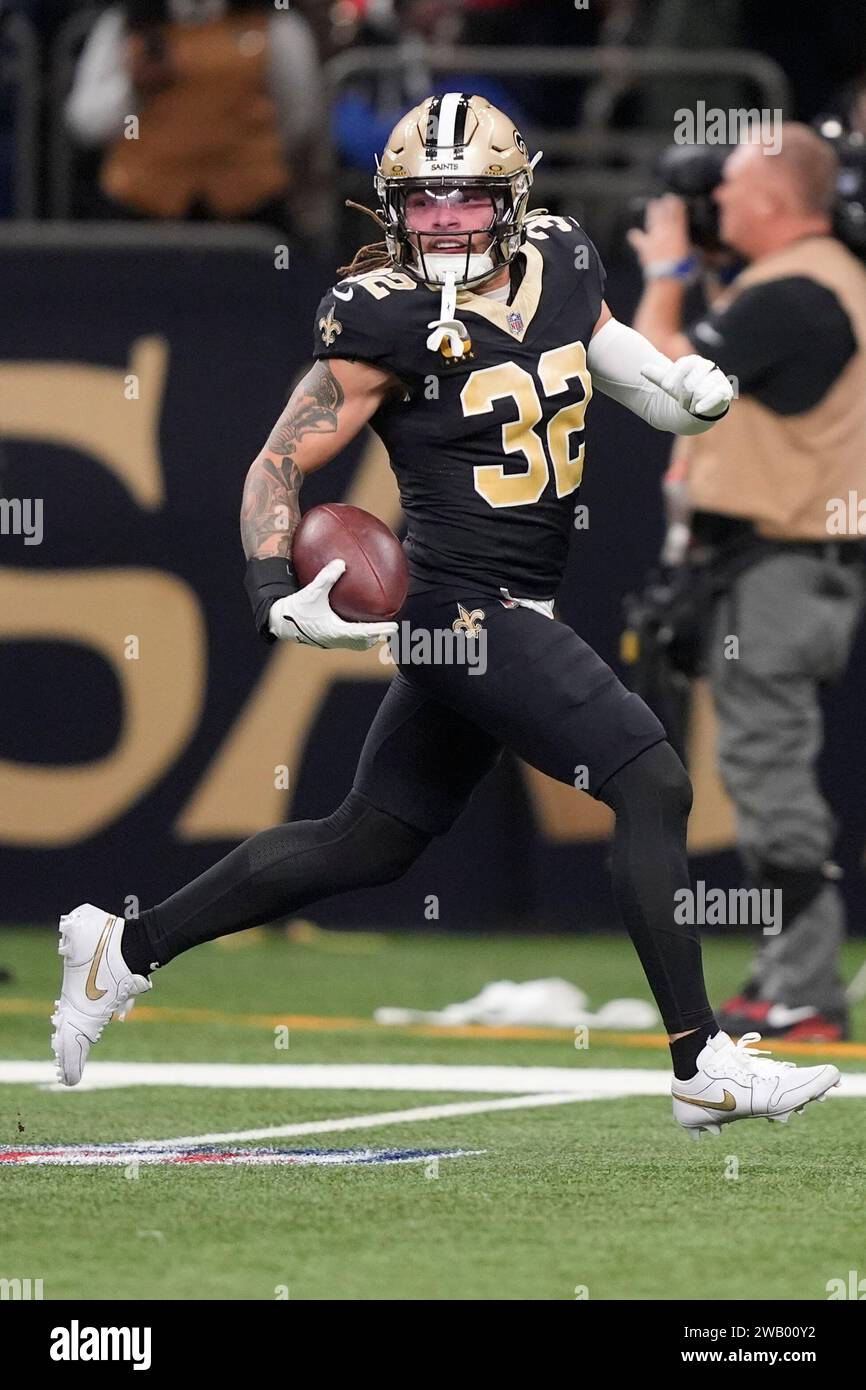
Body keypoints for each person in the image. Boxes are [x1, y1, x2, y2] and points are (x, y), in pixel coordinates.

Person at [52, 95, 839, 1136]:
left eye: (465, 200)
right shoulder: (379, 314)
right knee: (648, 779)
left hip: (517, 596)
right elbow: (278, 461)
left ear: (513, 200)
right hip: (460, 603)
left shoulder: (562, 259)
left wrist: (673, 388)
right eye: (420, 202)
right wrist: (270, 593)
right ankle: (699, 1059)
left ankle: (125, 947)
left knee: (369, 839)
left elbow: (604, 358)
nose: (441, 223)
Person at [629, 124, 866, 1042]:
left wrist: (668, 272)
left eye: (727, 187)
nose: (712, 202)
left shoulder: (801, 290)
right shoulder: (809, 284)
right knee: (762, 770)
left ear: (770, 199)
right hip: (786, 564)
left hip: (786, 564)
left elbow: (660, 375)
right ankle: (787, 974)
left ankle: (805, 988)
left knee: (768, 775)